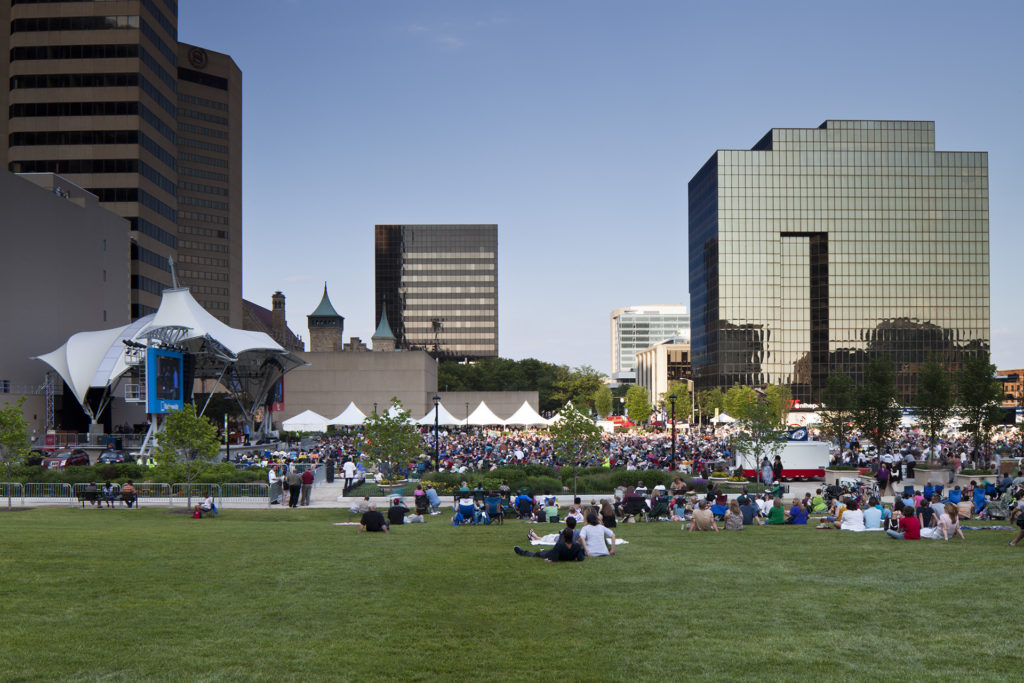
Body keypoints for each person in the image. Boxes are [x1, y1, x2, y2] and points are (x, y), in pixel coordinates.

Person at [514, 528, 585, 562]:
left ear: (563, 537)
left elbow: (554, 558)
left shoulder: (560, 545)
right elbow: (580, 558)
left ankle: (521, 551)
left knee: (536, 554)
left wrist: (547, 560)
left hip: (549, 554)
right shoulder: (577, 546)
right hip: (560, 555)